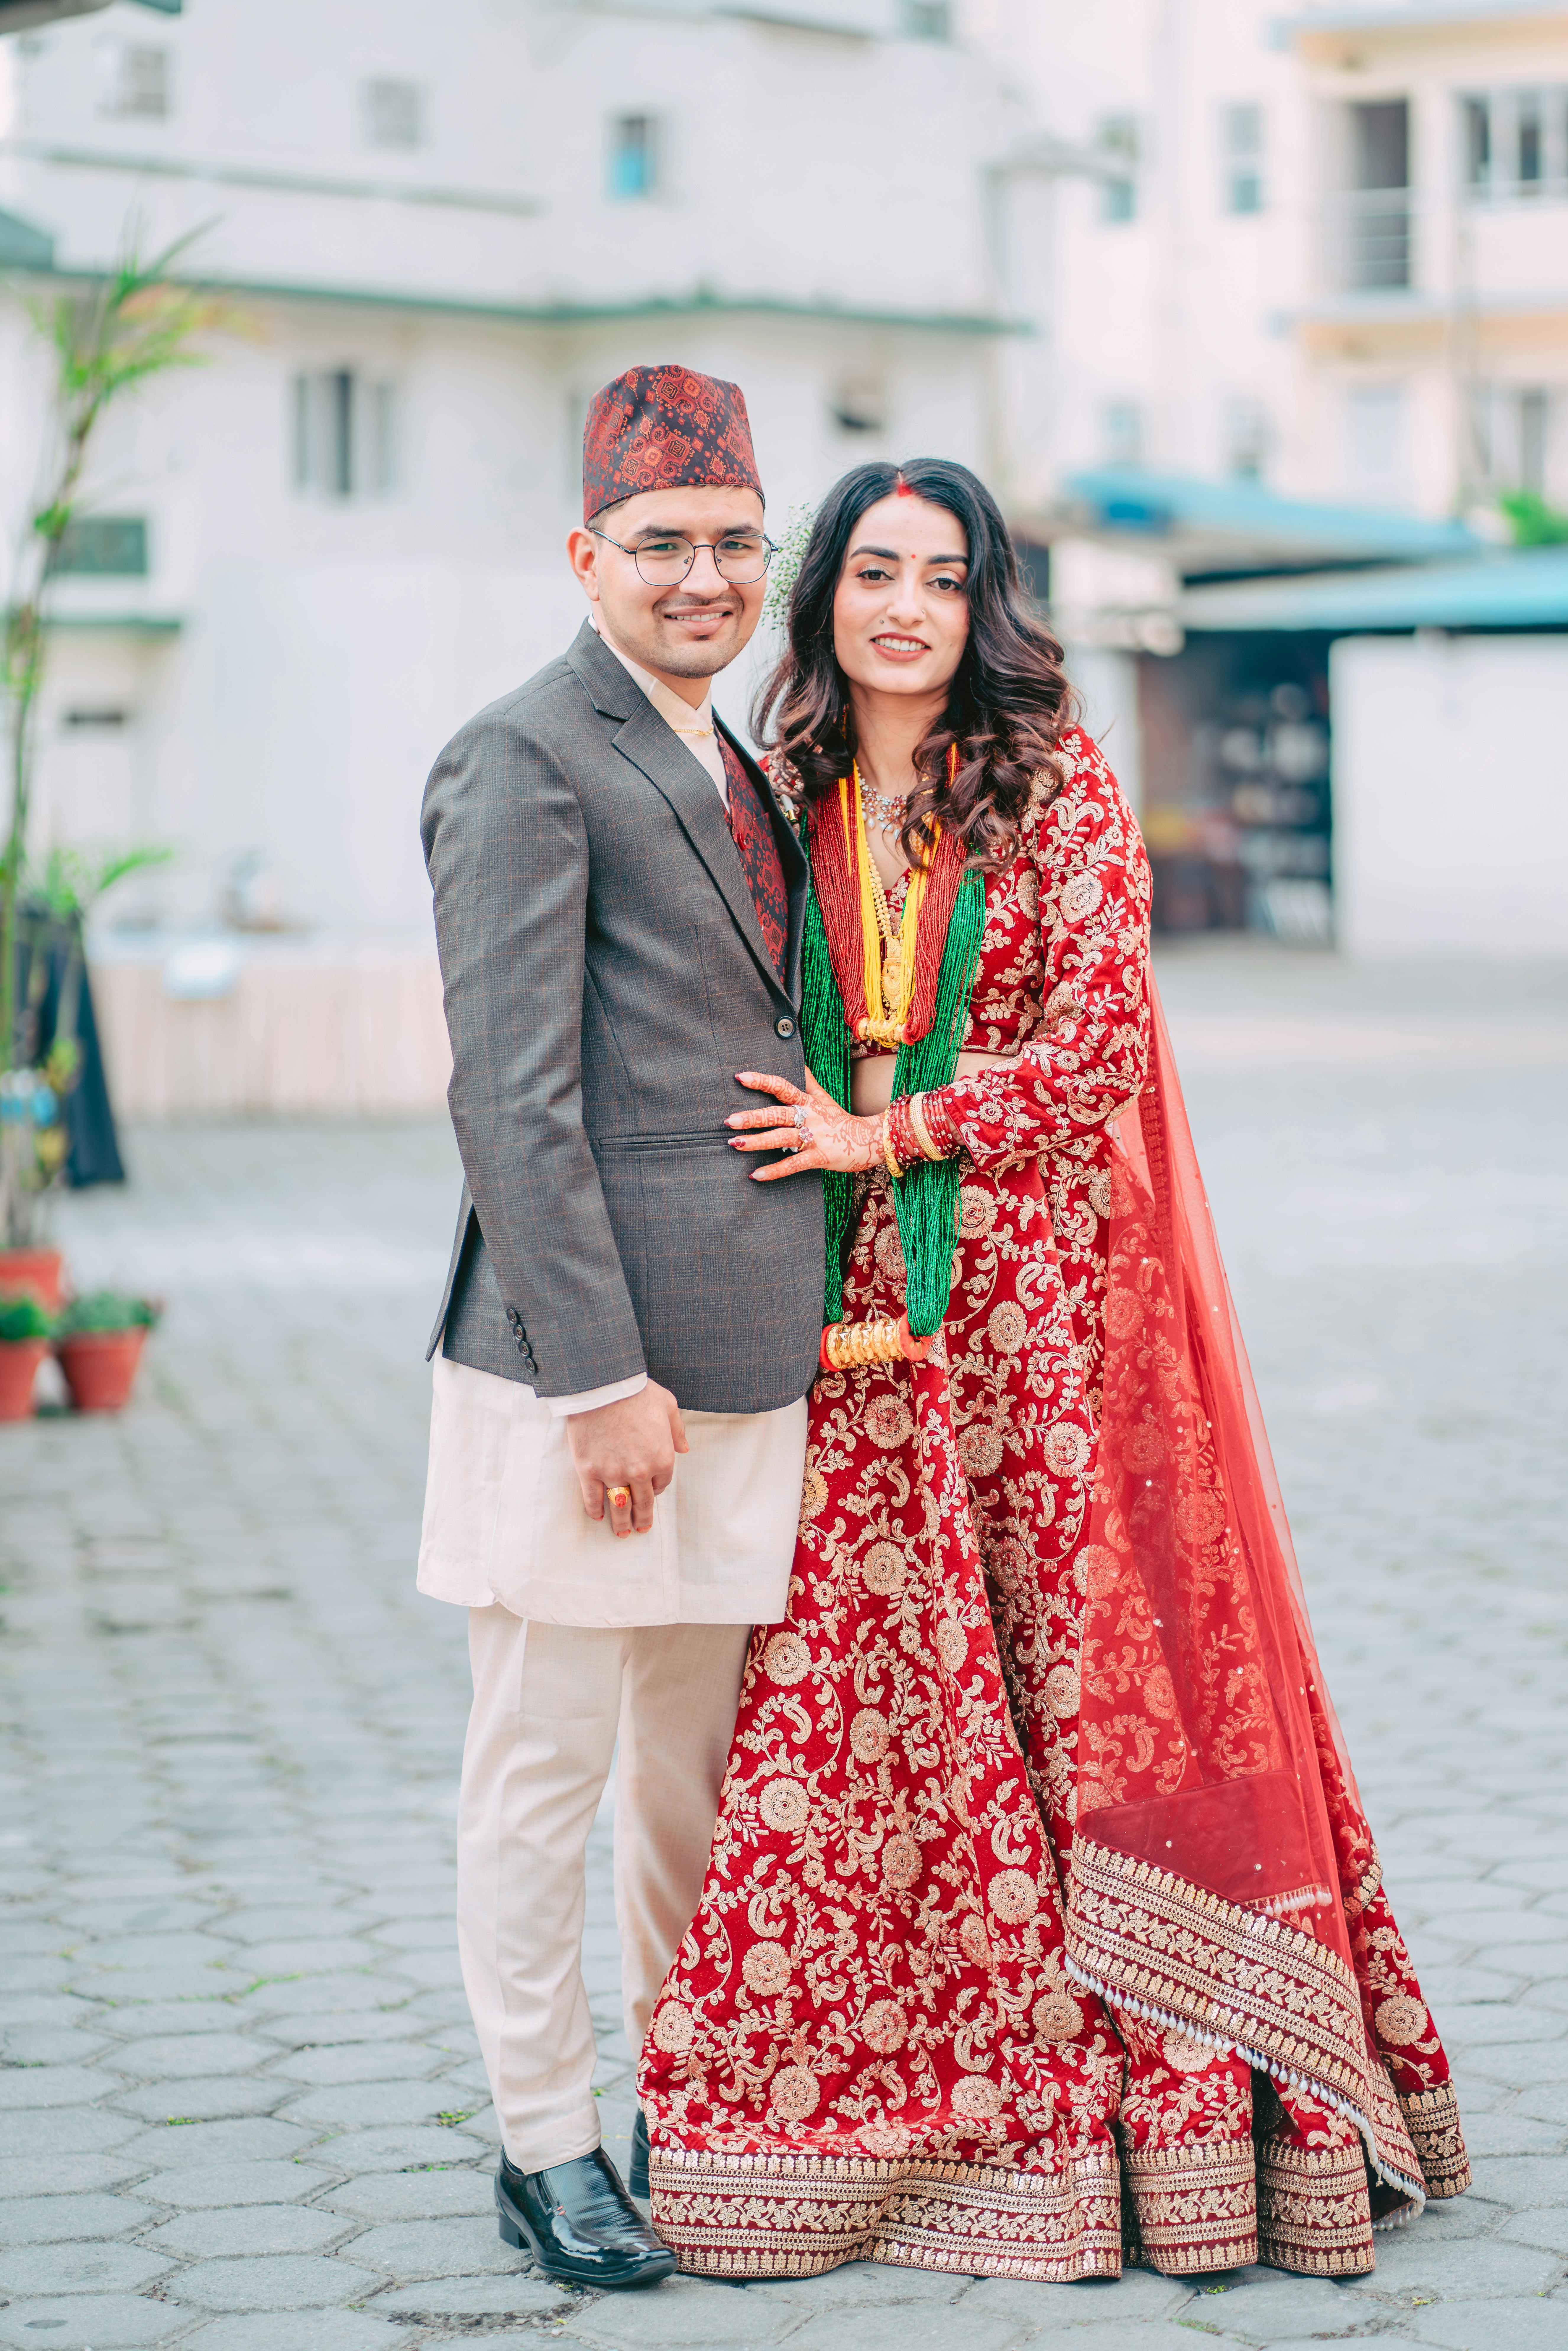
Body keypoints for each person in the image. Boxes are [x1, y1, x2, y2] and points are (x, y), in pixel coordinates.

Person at [637, 457, 1469, 2283]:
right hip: (841, 1311)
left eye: (943, 578)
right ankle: (902, 2111)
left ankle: (1170, 2126)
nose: (905, 608)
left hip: (1038, 1307)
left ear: (986, 605)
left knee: (1079, 1683)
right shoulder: (775, 787)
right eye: (874, 572)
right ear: (823, 596)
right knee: (875, 1695)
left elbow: (1095, 1054)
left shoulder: (1050, 780)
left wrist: (886, 1130)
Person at [417, 365, 823, 2291]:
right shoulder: (520, 754)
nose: (702, 577)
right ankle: (545, 2144)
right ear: (586, 557)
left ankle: (692, 2099)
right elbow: (511, 1097)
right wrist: (597, 1379)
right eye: (662, 545)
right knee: (543, 1771)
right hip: (581, 1379)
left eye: (735, 544)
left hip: (745, 1363)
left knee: (692, 1779)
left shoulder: (736, 754)